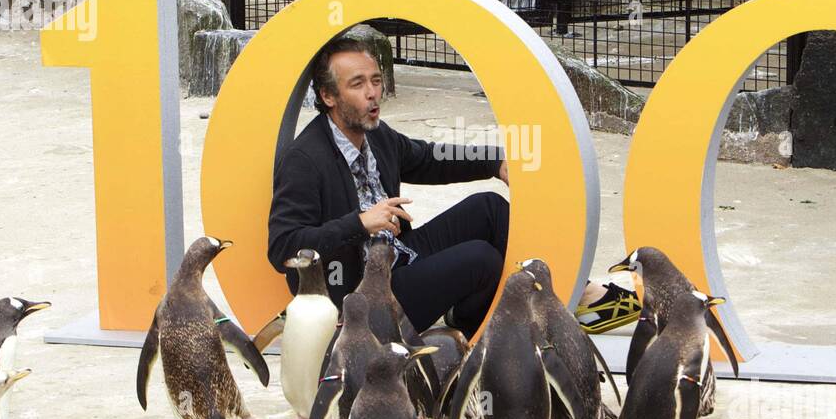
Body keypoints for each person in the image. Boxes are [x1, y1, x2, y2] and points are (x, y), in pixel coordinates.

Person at [266, 35, 638, 337]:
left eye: (376, 80)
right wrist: (361, 223)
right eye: (358, 84)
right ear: (328, 96)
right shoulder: (305, 159)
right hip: (364, 296)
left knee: (489, 208)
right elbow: (283, 249)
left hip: (398, 255)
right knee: (480, 258)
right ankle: (478, 326)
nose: (372, 93)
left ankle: (577, 293)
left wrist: (495, 162)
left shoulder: (375, 134)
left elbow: (428, 158)